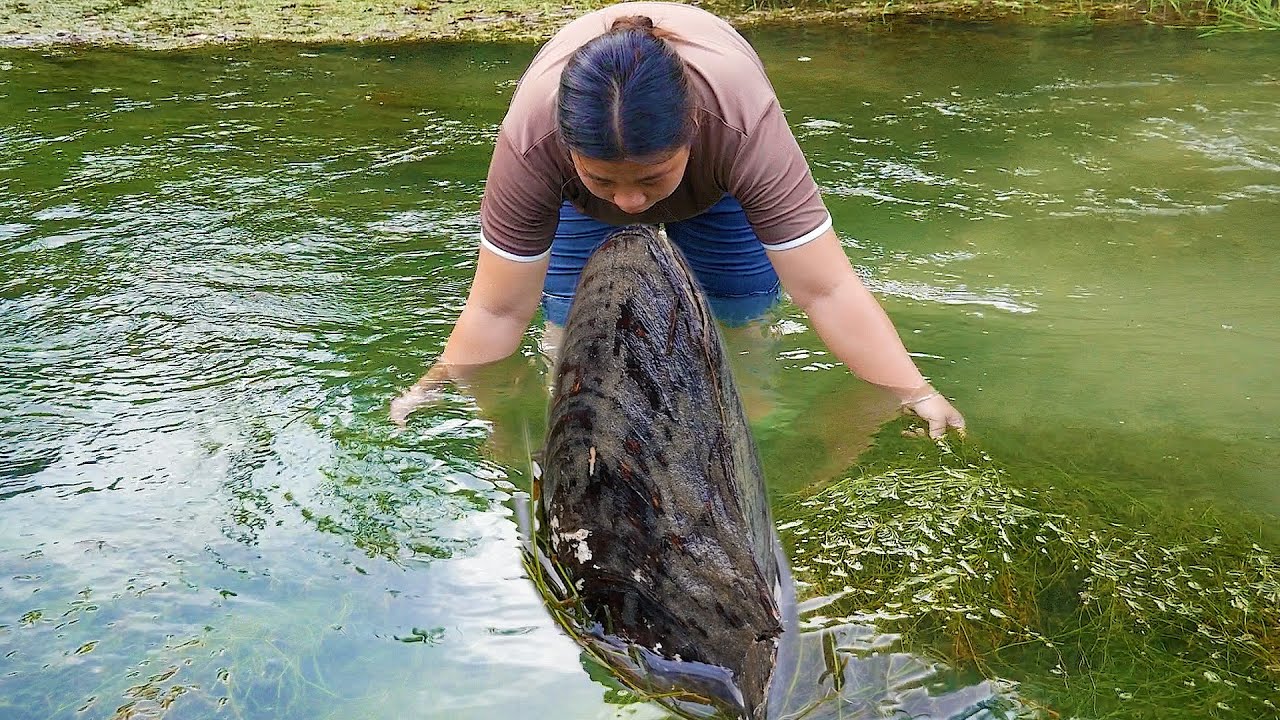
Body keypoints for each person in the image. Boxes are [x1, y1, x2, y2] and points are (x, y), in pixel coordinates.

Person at [391, 1, 965, 439]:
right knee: (570, 331)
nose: (630, 205)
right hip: (574, 195)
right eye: (604, 180)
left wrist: (913, 390)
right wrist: (443, 378)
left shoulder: (740, 125)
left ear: (693, 130)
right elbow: (498, 305)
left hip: (716, 191)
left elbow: (826, 288)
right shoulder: (533, 144)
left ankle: (749, 428)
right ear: (568, 152)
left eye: (650, 179)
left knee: (739, 320)